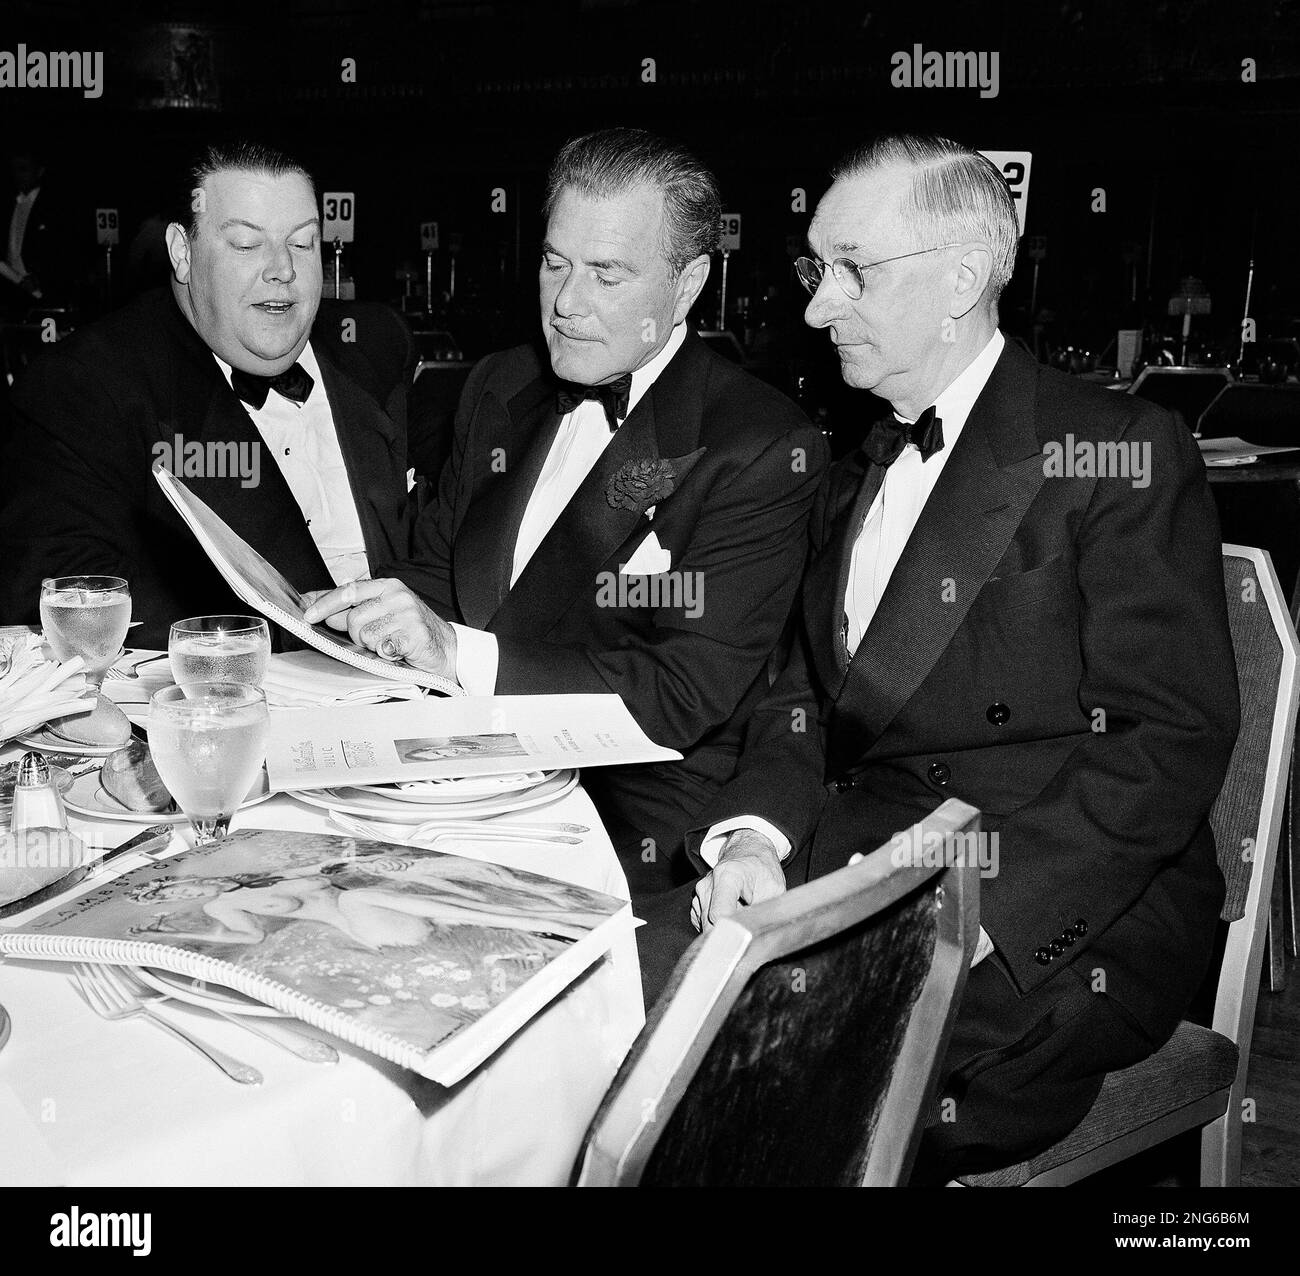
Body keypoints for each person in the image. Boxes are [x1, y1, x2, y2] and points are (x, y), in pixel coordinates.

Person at [672, 134, 1239, 1182]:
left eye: (851, 270)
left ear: (962, 278)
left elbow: (1167, 743)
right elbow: (799, 696)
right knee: (663, 1019)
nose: (814, 307)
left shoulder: (1119, 449)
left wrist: (971, 917)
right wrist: (752, 841)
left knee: (825, 1092)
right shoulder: (855, 461)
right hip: (869, 856)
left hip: (1067, 895)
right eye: (814, 269)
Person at [304, 129, 828, 900]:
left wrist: (456, 655)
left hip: (632, 829)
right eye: (555, 263)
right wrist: (366, 628)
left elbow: (681, 691)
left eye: (607, 275)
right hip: (455, 783)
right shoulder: (500, 384)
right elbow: (437, 572)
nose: (565, 303)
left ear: (687, 286)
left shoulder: (760, 444)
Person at [0, 140, 418, 648]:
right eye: (246, 244)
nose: (282, 268)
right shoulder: (86, 386)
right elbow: (62, 605)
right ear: (183, 252)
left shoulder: (377, 346)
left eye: (303, 242)